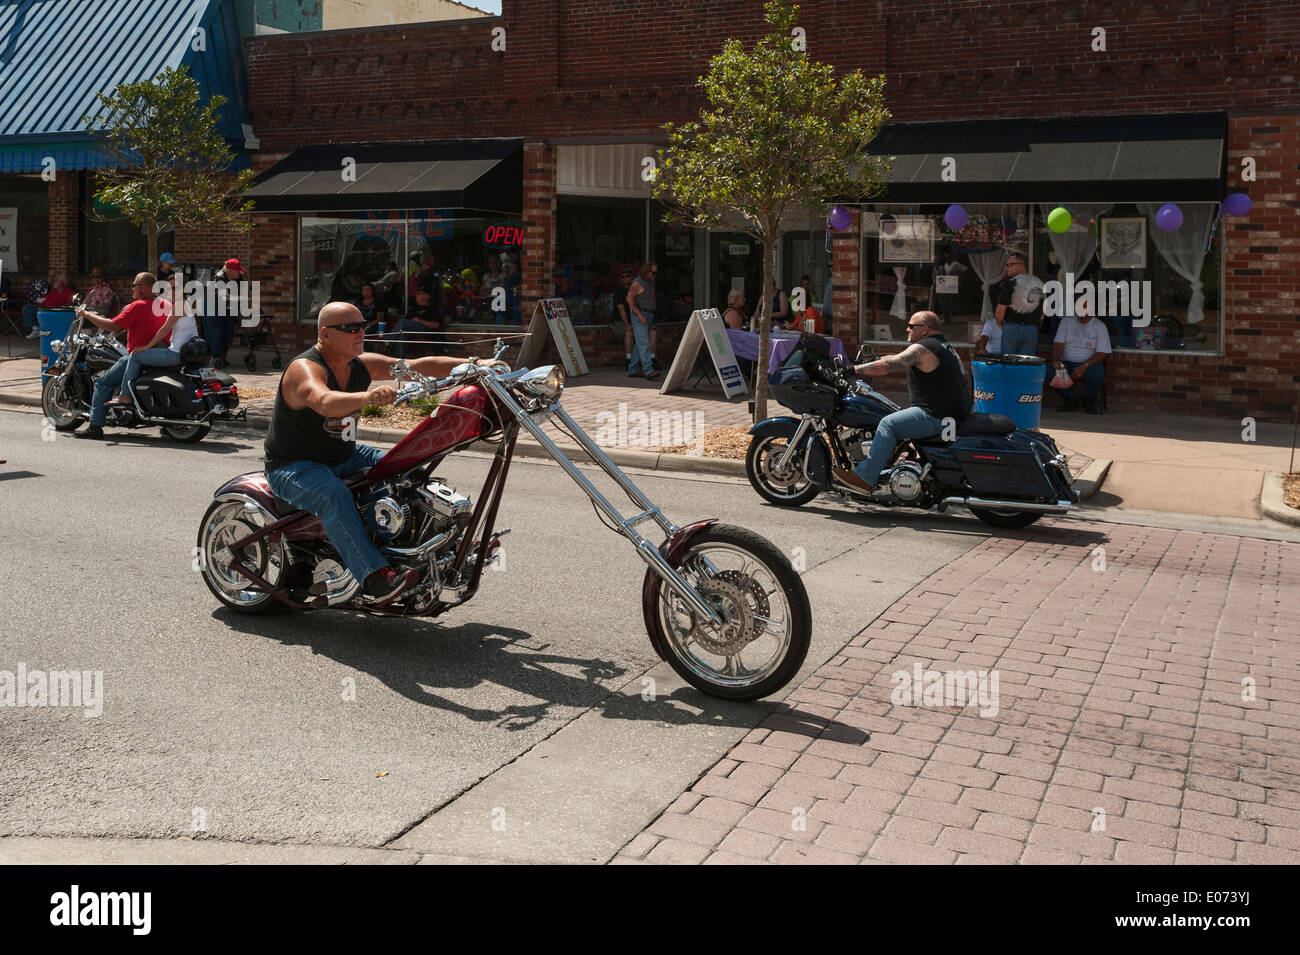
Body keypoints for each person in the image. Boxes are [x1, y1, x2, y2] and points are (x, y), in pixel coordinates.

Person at [263, 302, 479, 607]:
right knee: (333, 495)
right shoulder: (304, 368)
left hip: (344, 455)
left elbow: (418, 365)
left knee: (409, 468)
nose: (360, 332)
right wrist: (369, 396)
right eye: (350, 328)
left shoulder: (360, 364)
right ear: (325, 333)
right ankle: (375, 577)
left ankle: (422, 548)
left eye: (362, 325)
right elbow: (323, 400)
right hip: (294, 465)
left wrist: (476, 365)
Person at [832, 310, 970, 495]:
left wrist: (852, 370)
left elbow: (894, 364)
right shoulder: (941, 345)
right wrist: (873, 360)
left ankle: (864, 479)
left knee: (888, 424)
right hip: (950, 412)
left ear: (924, 329)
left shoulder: (924, 348)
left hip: (936, 415)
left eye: (911, 326)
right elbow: (898, 357)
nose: (907, 329)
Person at [73, 273, 172, 440]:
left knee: (102, 383)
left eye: (134, 285)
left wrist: (87, 315)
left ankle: (95, 427)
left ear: (143, 288)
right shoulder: (166, 304)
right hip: (159, 355)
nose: (132, 288)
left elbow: (111, 325)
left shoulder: (137, 306)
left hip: (137, 356)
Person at [109, 275, 199, 407]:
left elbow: (164, 329)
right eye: (169, 288)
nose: (171, 291)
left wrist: (147, 346)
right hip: (184, 353)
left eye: (175, 288)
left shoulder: (179, 306)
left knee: (135, 356)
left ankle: (125, 396)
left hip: (174, 354)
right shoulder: (187, 304)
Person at [1050, 297, 1111, 414]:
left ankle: (1088, 400)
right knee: (1049, 371)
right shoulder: (1066, 322)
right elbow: (1058, 344)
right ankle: (1071, 399)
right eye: (1079, 306)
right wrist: (1056, 361)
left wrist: (1084, 366)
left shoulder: (1100, 326)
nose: (1082, 309)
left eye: (1085, 306)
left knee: (1097, 373)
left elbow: (1102, 353)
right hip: (1066, 362)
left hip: (1089, 364)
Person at [995, 251, 1043, 357]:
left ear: (1022, 265)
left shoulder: (1010, 283)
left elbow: (1000, 310)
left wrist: (1001, 324)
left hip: (1012, 326)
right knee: (1025, 366)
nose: (1007, 268)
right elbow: (1044, 310)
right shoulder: (1039, 283)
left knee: (1008, 364)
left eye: (1011, 265)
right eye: (1006, 265)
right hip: (1031, 328)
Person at [204, 258, 247, 369]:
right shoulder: (219, 278)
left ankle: (221, 357)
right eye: (238, 271)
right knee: (216, 334)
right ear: (231, 271)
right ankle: (216, 358)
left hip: (228, 309)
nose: (240, 273)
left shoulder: (238, 278)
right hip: (213, 308)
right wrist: (239, 299)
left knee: (228, 334)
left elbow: (243, 291)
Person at [626, 261, 660, 380]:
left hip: (648, 314)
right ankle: (648, 370)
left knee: (640, 344)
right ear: (646, 271)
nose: (654, 275)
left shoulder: (650, 281)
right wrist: (639, 314)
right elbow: (629, 299)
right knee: (644, 343)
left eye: (656, 272)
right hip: (640, 314)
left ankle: (633, 369)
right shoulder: (638, 282)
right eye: (653, 272)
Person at [389, 288, 442, 359]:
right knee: (402, 335)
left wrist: (420, 321)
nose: (416, 296)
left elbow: (436, 325)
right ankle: (400, 360)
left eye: (419, 294)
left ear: (427, 296)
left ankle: (389, 340)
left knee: (402, 321)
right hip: (411, 331)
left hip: (425, 331)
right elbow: (405, 323)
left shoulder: (433, 309)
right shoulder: (413, 309)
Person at [22, 272, 74, 339]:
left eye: (57, 280)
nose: (55, 281)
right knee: (27, 308)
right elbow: (45, 302)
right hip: (44, 310)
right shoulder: (53, 291)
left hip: (55, 313)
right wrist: (38, 306)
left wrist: (58, 308)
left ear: (63, 282)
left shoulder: (68, 292)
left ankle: (45, 331)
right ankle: (36, 330)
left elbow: (71, 304)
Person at [934, 251, 968, 325]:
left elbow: (964, 270)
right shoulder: (945, 265)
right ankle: (947, 317)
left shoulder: (955, 264)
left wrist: (959, 277)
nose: (946, 259)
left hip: (953, 283)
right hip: (946, 284)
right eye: (945, 258)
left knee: (950, 300)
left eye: (947, 257)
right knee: (946, 301)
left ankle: (950, 316)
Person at [613, 267, 635, 372]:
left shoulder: (636, 291)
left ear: (632, 277)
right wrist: (627, 325)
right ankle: (629, 360)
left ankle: (652, 360)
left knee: (652, 332)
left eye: (628, 276)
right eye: (623, 277)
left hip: (636, 321)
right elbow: (621, 310)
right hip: (620, 322)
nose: (625, 278)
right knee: (629, 333)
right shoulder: (619, 292)